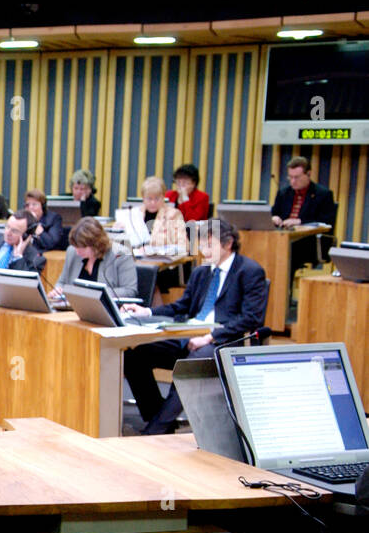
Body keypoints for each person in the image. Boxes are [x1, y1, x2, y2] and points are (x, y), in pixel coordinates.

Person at [121, 219, 267, 434]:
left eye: (210, 244)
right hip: (189, 334)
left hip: (222, 340)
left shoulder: (250, 271)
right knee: (135, 355)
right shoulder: (201, 272)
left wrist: (210, 337)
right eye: (201, 244)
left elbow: (250, 318)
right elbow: (183, 306)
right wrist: (147, 311)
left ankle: (154, 431)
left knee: (189, 365)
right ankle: (159, 419)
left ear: (228, 244)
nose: (203, 250)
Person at [50, 217, 138, 300]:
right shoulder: (72, 252)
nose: (77, 251)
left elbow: (130, 291)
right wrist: (58, 290)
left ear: (97, 244)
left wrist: (96, 294)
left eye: (82, 247)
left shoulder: (121, 252)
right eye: (75, 246)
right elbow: (62, 282)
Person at [270, 156, 337, 228]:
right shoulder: (283, 193)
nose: (293, 181)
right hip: (284, 235)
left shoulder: (323, 194)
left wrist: (300, 221)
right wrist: (273, 218)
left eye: (297, 177)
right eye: (290, 177)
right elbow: (274, 213)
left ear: (308, 174)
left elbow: (326, 222)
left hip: (308, 237)